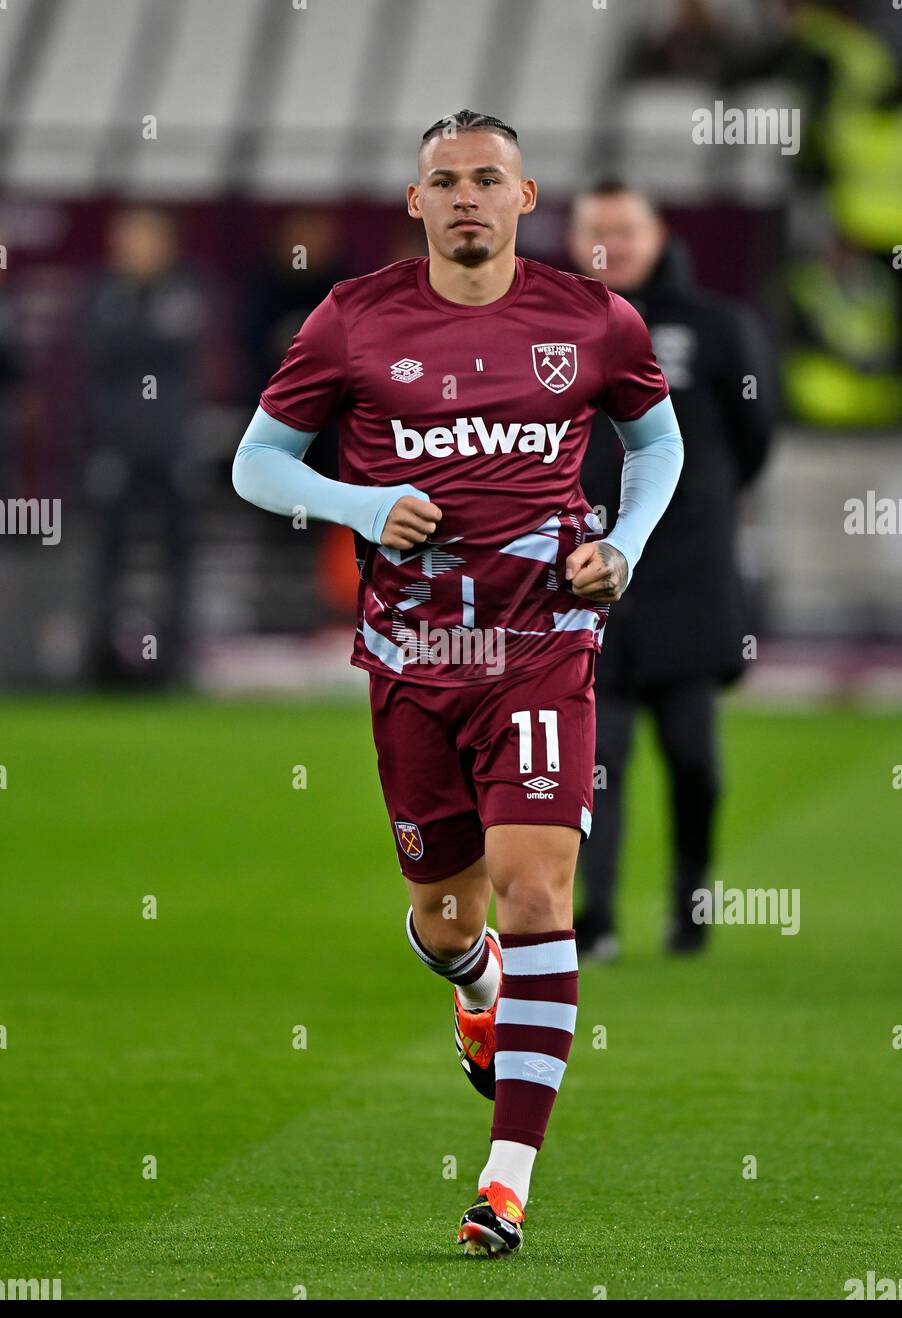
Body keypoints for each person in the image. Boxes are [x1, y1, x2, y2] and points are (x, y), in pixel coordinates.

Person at [233, 112, 683, 1257]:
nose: (467, 196)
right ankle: (469, 979)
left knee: (539, 893)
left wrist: (621, 546)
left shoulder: (592, 319)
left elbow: (658, 444)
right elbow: (256, 463)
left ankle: (504, 1179)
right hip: (413, 663)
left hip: (542, 648)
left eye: (488, 178)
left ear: (525, 197)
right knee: (447, 918)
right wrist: (357, 505)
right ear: (414, 199)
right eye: (447, 181)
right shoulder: (351, 320)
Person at [569, 182, 776, 959]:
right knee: (597, 762)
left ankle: (691, 900)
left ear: (657, 235)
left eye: (626, 229)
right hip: (589, 579)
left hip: (689, 577)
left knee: (694, 757)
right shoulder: (553, 325)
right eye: (598, 230)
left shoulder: (720, 329)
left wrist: (698, 510)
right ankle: (598, 917)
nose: (612, 244)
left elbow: (756, 437)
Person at [79, 206, 209, 685]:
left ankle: (176, 658)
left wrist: (135, 333)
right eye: (127, 239)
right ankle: (99, 658)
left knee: (179, 556)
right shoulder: (102, 292)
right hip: (114, 446)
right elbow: (100, 349)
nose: (134, 249)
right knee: (106, 557)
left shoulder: (187, 288)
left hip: (171, 445)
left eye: (144, 238)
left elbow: (176, 346)